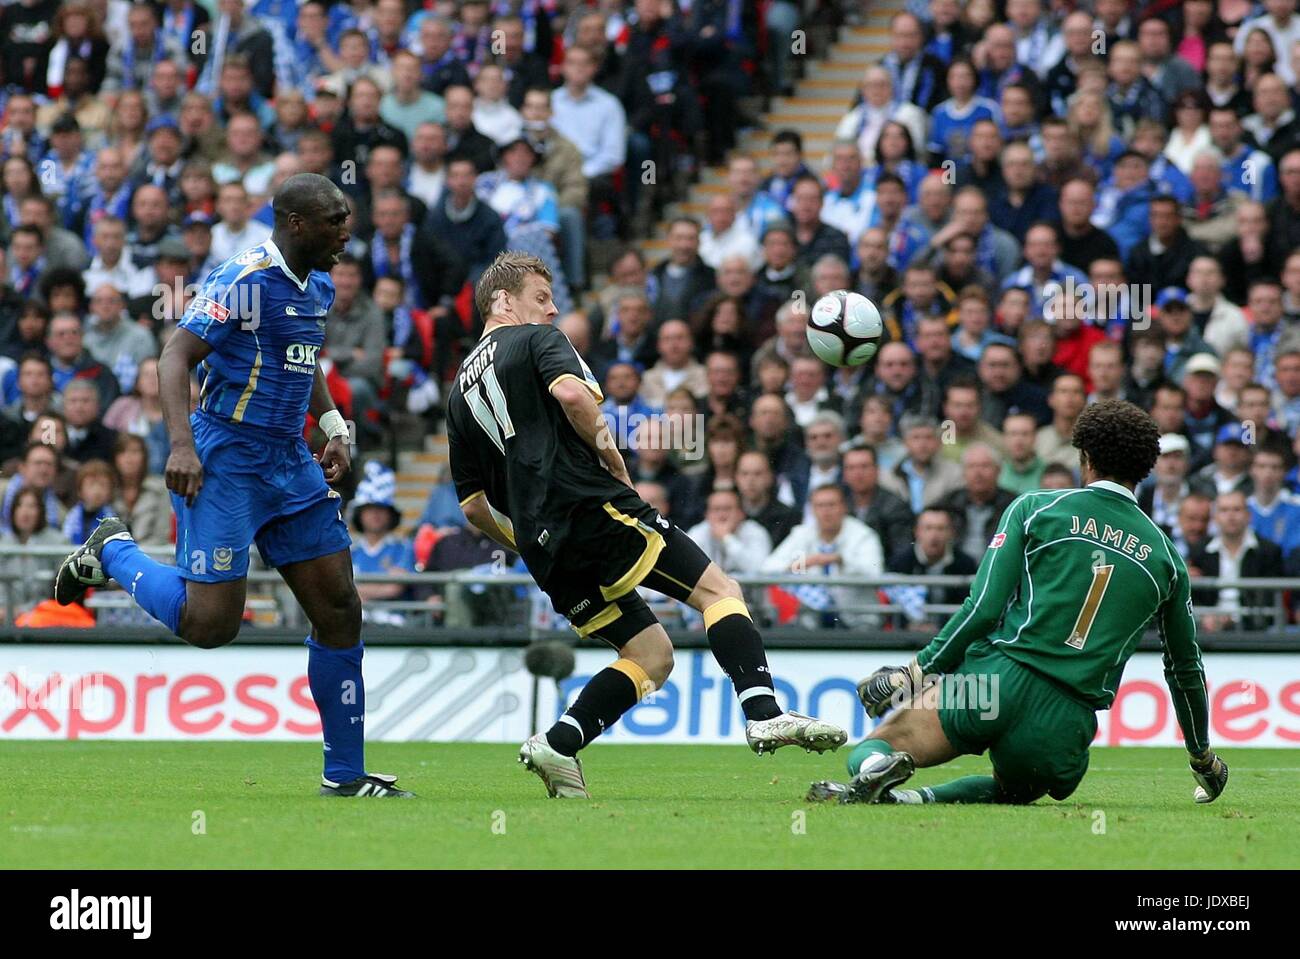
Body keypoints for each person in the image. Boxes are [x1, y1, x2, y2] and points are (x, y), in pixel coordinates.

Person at [53, 173, 411, 799]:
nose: (347, 230)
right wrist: (181, 446)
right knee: (211, 625)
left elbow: (305, 354)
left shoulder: (319, 281)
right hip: (225, 456)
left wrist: (331, 424)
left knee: (339, 608)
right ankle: (111, 548)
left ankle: (345, 775)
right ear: (296, 223)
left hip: (289, 462)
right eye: (335, 219)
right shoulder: (241, 280)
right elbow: (173, 357)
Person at [446, 251, 846, 799]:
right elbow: (570, 394)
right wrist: (610, 454)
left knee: (650, 656)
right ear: (503, 301)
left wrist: (527, 544)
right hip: (589, 505)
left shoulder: (455, 396)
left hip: (546, 549)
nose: (554, 309)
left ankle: (559, 744)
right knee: (719, 589)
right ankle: (764, 711)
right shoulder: (537, 340)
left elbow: (471, 506)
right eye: (543, 297)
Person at [808, 400, 1227, 809]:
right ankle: (907, 799)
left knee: (878, 744)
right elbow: (1185, 669)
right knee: (1015, 791)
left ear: (1084, 456)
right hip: (1064, 717)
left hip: (994, 681)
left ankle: (880, 770)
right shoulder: (1168, 560)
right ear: (1146, 467)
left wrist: (914, 672)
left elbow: (983, 607)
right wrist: (1201, 758)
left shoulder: (1036, 507)